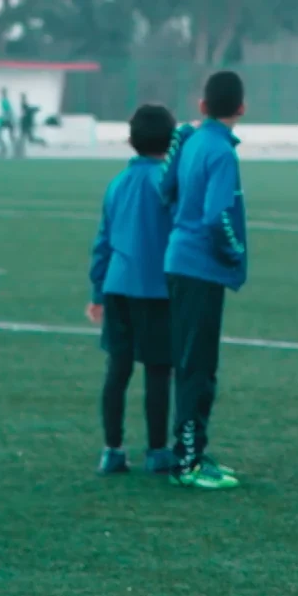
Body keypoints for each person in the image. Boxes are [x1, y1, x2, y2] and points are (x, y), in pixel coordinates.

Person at [162, 70, 248, 491]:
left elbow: (167, 192)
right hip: (200, 267)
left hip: (180, 261)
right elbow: (217, 217)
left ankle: (193, 452)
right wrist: (235, 252)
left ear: (202, 106)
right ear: (242, 108)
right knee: (197, 367)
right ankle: (187, 462)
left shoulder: (194, 141)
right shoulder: (221, 152)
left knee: (196, 364)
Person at [86, 104, 178, 477]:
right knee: (158, 370)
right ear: (171, 142)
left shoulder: (117, 184)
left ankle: (112, 450)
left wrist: (97, 292)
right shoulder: (170, 184)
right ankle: (157, 450)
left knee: (117, 370)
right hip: (157, 289)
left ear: (130, 140)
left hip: (117, 286)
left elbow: (103, 242)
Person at [0, 88, 15, 158]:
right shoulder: (5, 101)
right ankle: (5, 148)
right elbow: (7, 112)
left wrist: (2, 119)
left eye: (2, 92)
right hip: (8, 121)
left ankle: (4, 148)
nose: (2, 94)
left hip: (6, 121)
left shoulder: (4, 101)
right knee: (11, 136)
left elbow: (8, 112)